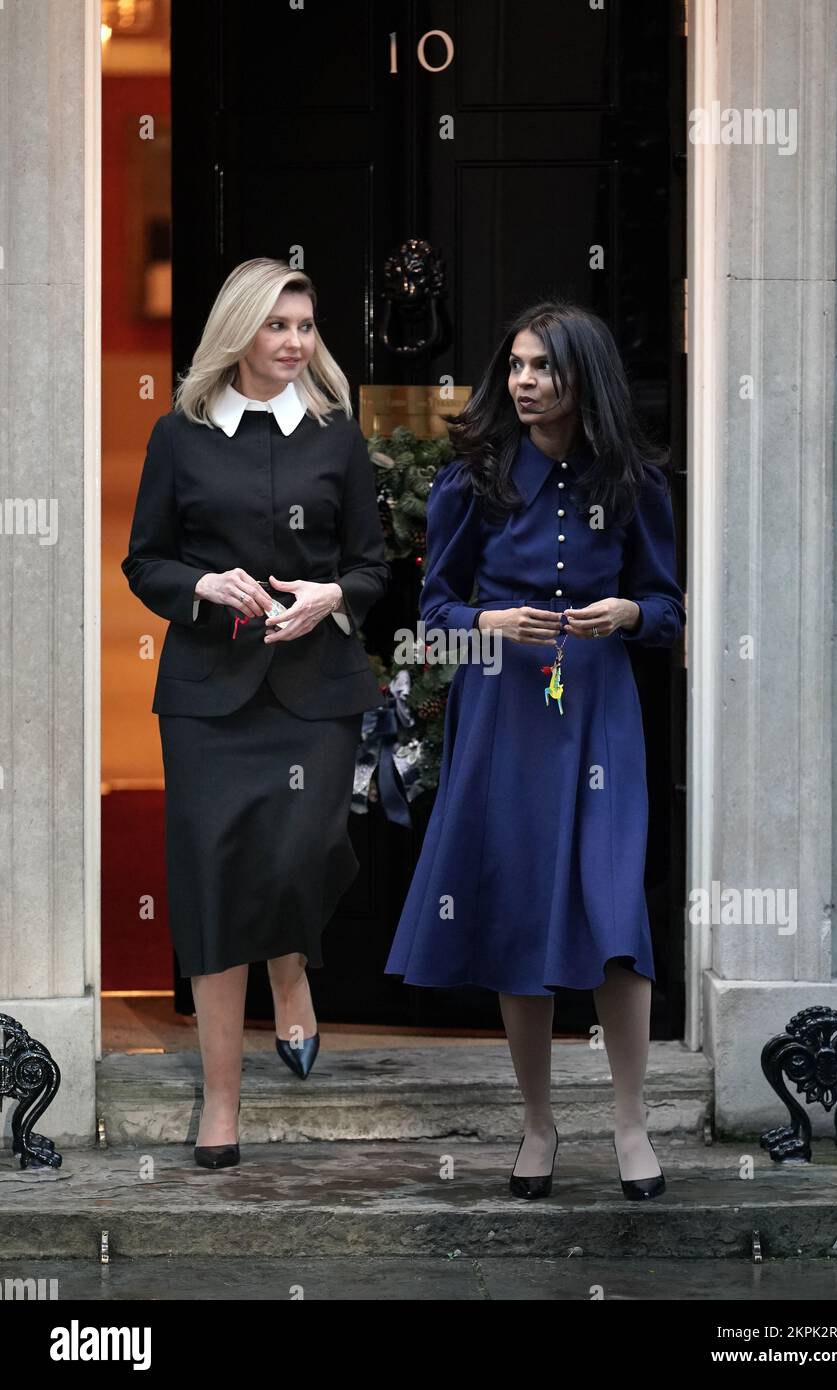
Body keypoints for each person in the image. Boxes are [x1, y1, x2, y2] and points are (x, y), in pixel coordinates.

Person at [385, 302, 685, 1200]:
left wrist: (629, 613)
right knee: (520, 909)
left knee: (614, 912)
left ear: (579, 376)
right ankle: (539, 1126)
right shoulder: (472, 477)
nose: (523, 381)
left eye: (543, 368)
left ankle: (632, 1126)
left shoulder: (633, 479)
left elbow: (667, 609)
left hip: (598, 708)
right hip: (503, 707)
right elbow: (431, 625)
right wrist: (488, 622)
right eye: (515, 364)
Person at [122, 258, 389, 1169]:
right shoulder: (179, 438)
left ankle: (290, 969)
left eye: (306, 327)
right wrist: (200, 583)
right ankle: (222, 1105)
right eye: (278, 326)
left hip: (315, 691)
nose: (295, 343)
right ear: (240, 332)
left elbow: (375, 565)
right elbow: (144, 561)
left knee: (301, 851)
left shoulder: (336, 436)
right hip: (207, 698)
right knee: (210, 883)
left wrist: (331, 597)